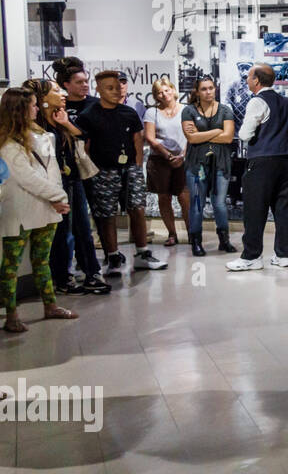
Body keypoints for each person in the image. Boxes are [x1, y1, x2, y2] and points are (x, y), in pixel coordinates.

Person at [24, 78, 110, 296]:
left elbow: (83, 136)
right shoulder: (35, 128)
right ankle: (63, 277)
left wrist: (65, 123)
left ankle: (91, 272)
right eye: (56, 90)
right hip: (54, 183)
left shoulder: (60, 120)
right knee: (62, 232)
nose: (62, 94)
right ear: (42, 99)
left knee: (83, 228)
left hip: (73, 179)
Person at [0, 87, 77, 332]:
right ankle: (11, 314)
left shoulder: (41, 134)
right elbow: (25, 176)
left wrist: (56, 196)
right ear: (20, 109)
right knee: (11, 264)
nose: (37, 108)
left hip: (47, 206)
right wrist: (57, 196)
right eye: (33, 104)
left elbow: (51, 168)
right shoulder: (7, 141)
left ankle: (50, 305)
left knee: (42, 260)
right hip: (20, 209)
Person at [77, 70, 167, 273]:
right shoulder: (88, 115)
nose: (116, 91)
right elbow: (86, 147)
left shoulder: (129, 113)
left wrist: (135, 167)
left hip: (130, 170)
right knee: (107, 215)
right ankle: (113, 257)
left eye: (118, 87)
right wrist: (94, 172)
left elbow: (137, 139)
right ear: (98, 89)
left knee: (137, 209)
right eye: (110, 88)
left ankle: (142, 253)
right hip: (103, 171)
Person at [228, 64, 288, 271]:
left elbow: (245, 134)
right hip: (285, 159)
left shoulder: (257, 101)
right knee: (282, 208)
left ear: (257, 81)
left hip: (262, 160)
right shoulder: (286, 102)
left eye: (249, 77)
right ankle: (283, 255)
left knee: (254, 209)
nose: (247, 80)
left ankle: (251, 256)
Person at [181, 75, 237, 256]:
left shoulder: (225, 110)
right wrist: (216, 131)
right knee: (197, 204)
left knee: (219, 203)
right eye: (204, 89)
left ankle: (224, 240)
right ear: (197, 92)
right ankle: (196, 242)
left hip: (220, 162)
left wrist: (202, 134)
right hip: (197, 164)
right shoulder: (189, 111)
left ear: (215, 89)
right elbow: (191, 138)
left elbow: (228, 137)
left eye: (211, 88)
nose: (208, 92)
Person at [143, 78, 190, 247]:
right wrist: (167, 155)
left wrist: (182, 156)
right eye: (159, 92)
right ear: (155, 96)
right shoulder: (152, 112)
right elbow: (149, 137)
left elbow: (191, 135)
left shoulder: (186, 110)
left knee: (185, 198)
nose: (164, 94)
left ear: (173, 90)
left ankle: (192, 233)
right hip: (159, 160)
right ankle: (172, 234)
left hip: (182, 159)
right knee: (164, 198)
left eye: (166, 90)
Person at [225, 62, 254, 207]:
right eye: (241, 68)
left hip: (251, 133)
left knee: (249, 165)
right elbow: (227, 102)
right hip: (235, 133)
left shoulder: (254, 86)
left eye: (246, 68)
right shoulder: (233, 86)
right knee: (236, 165)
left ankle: (247, 195)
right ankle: (234, 194)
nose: (244, 70)